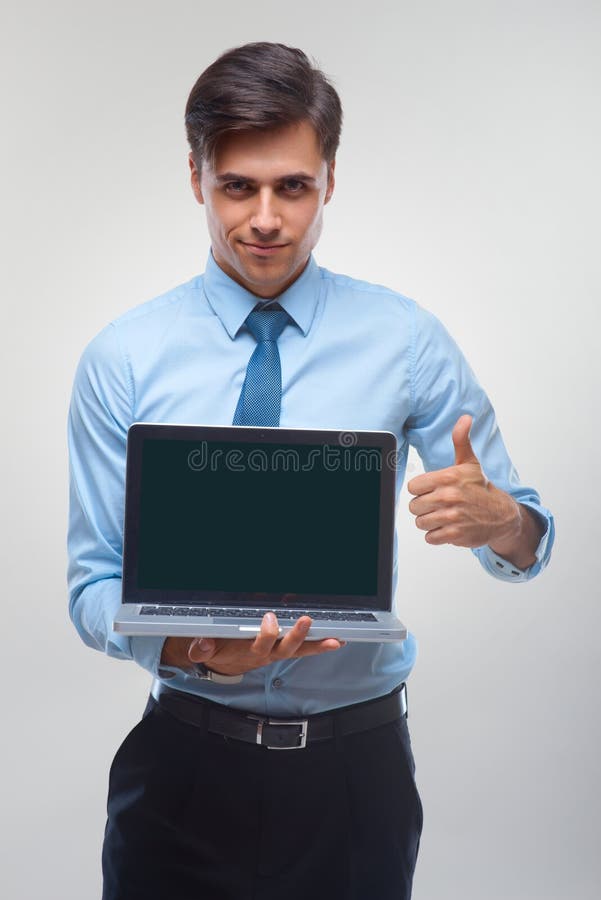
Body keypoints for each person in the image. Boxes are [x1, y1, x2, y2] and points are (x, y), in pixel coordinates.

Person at [67, 41, 555, 900]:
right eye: (237, 187)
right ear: (196, 178)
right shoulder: (124, 359)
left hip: (353, 775)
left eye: (291, 186)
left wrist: (501, 524)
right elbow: (91, 589)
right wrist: (198, 652)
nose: (265, 218)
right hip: (182, 764)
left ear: (329, 179)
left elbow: (519, 537)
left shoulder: (404, 342)